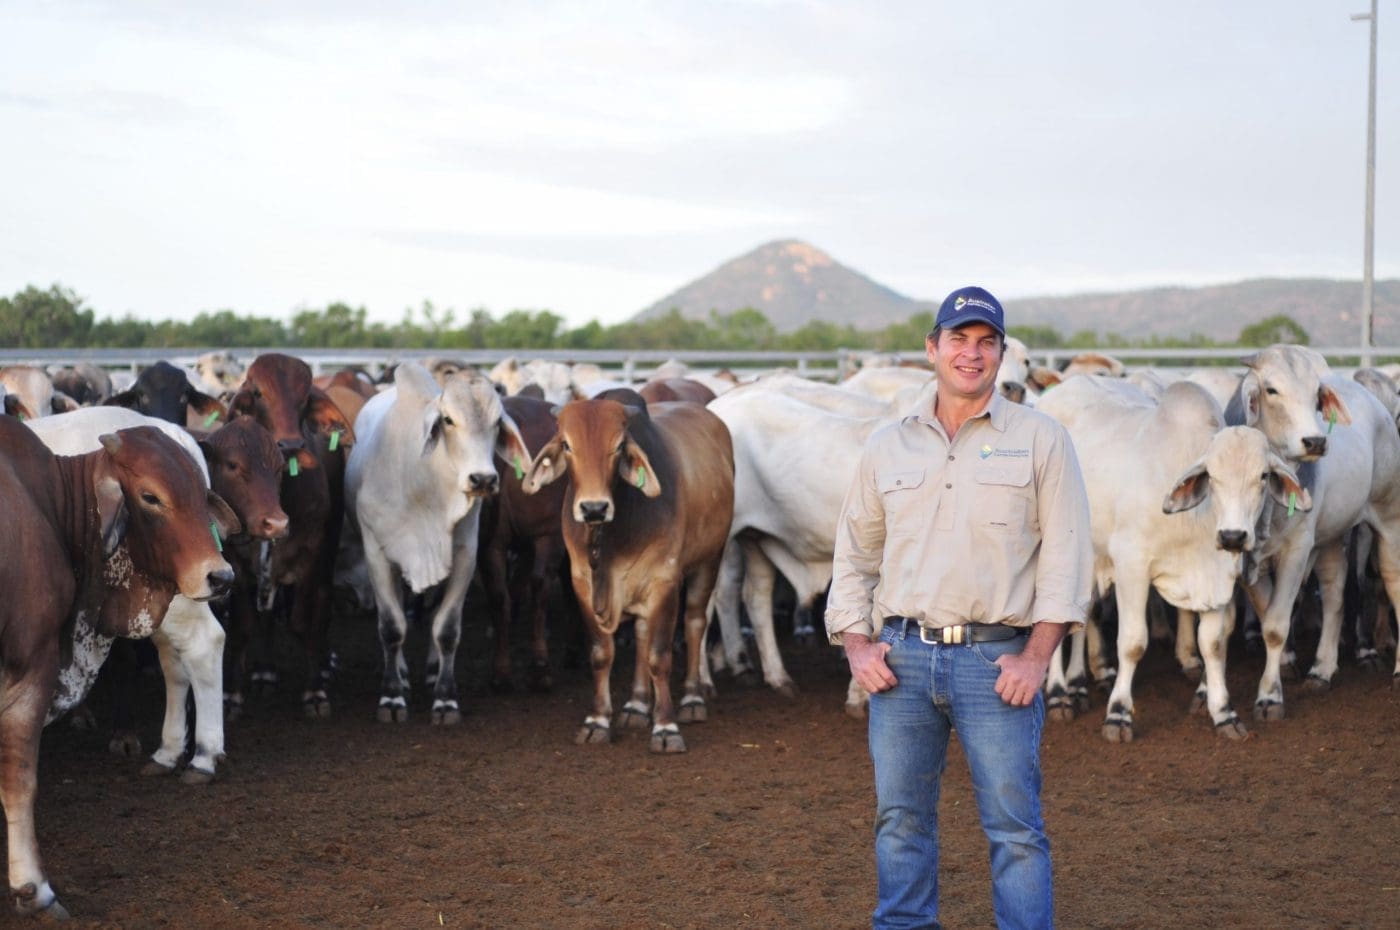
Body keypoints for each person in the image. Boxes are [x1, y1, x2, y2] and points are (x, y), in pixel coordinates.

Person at [825, 285, 1093, 930]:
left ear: (1002, 353)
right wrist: (858, 644)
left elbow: (1067, 555)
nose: (972, 354)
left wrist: (1036, 657)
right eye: (959, 339)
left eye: (986, 342)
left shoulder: (1041, 440)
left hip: (996, 661)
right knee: (899, 818)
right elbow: (854, 554)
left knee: (1015, 826)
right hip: (902, 658)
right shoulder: (887, 445)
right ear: (932, 349)